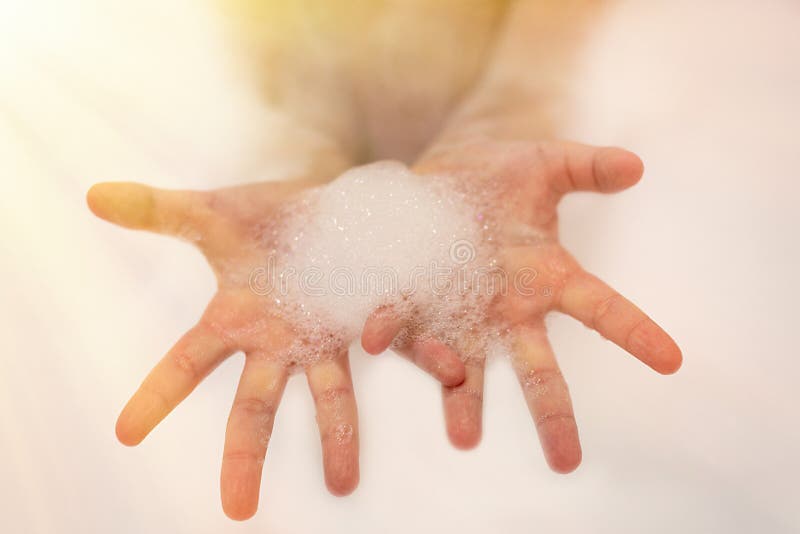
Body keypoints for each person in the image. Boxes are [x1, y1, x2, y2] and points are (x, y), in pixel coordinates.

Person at [87, 0, 682, 521]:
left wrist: (521, 93)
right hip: (368, 131)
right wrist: (306, 134)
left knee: (546, 361)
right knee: (311, 412)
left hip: (516, 183)